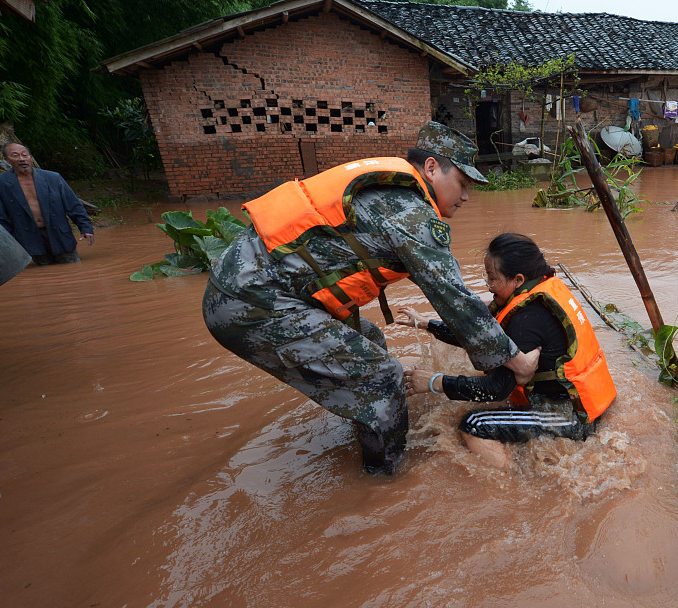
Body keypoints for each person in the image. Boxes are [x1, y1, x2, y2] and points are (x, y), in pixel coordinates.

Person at [202, 122, 540, 475]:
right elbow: (453, 296)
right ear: (431, 169)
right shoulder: (411, 211)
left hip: (245, 287)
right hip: (251, 302)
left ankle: (369, 429)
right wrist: (514, 360)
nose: (466, 197)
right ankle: (384, 482)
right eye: (463, 183)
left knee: (372, 341)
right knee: (383, 376)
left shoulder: (389, 188)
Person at [399, 233, 616, 463]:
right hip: (589, 401)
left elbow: (497, 389)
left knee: (474, 424)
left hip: (571, 416)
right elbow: (481, 337)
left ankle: (514, 486)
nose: (489, 285)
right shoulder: (538, 291)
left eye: (492, 278)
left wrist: (435, 382)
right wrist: (428, 324)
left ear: (518, 280)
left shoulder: (525, 320)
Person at [0, 142, 95, 265]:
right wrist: (4, 242)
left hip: (60, 235)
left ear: (31, 157)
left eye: (25, 155)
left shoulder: (53, 178)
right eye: (15, 156)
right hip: (30, 237)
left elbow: (73, 205)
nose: (22, 159)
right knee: (44, 274)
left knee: (72, 270)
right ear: (7, 160)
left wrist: (86, 228)